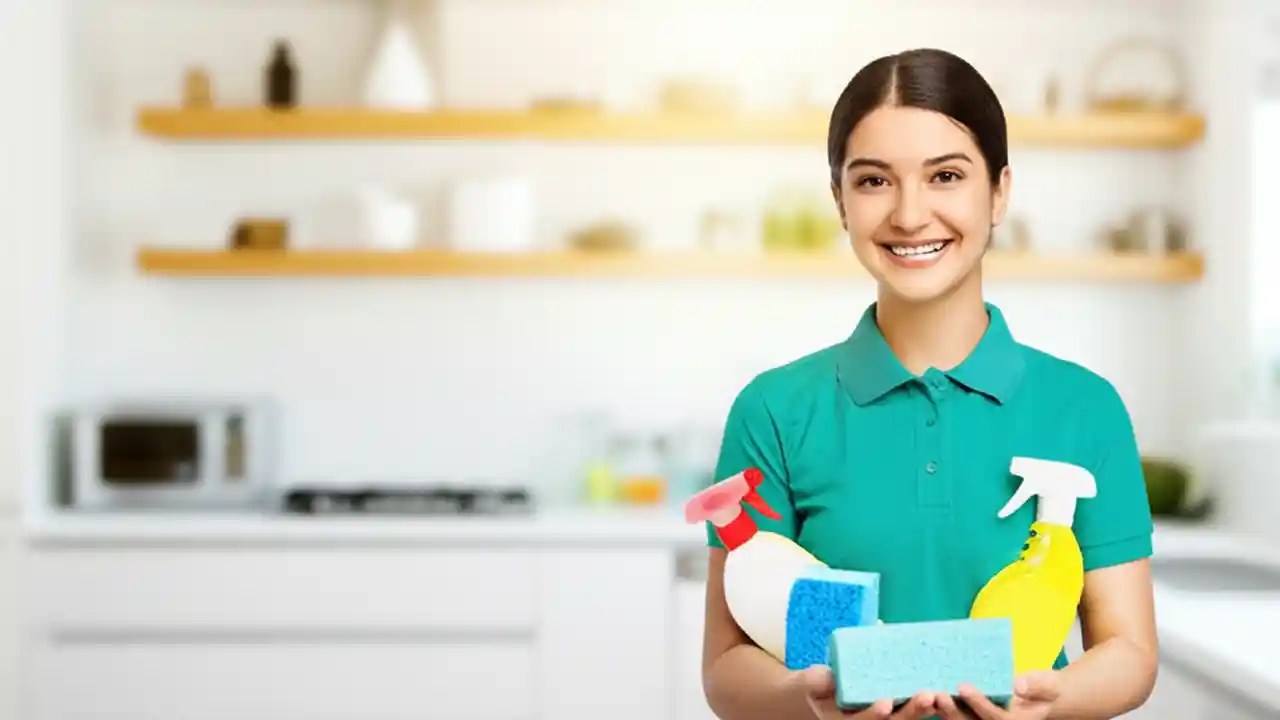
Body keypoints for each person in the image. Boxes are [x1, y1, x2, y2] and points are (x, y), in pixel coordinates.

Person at [699, 48, 1158, 720]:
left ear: (999, 191)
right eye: (874, 181)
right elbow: (726, 666)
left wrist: (1052, 701)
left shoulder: (1084, 409)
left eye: (946, 175)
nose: (911, 215)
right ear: (840, 201)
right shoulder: (773, 411)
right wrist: (807, 700)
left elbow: (1128, 650)